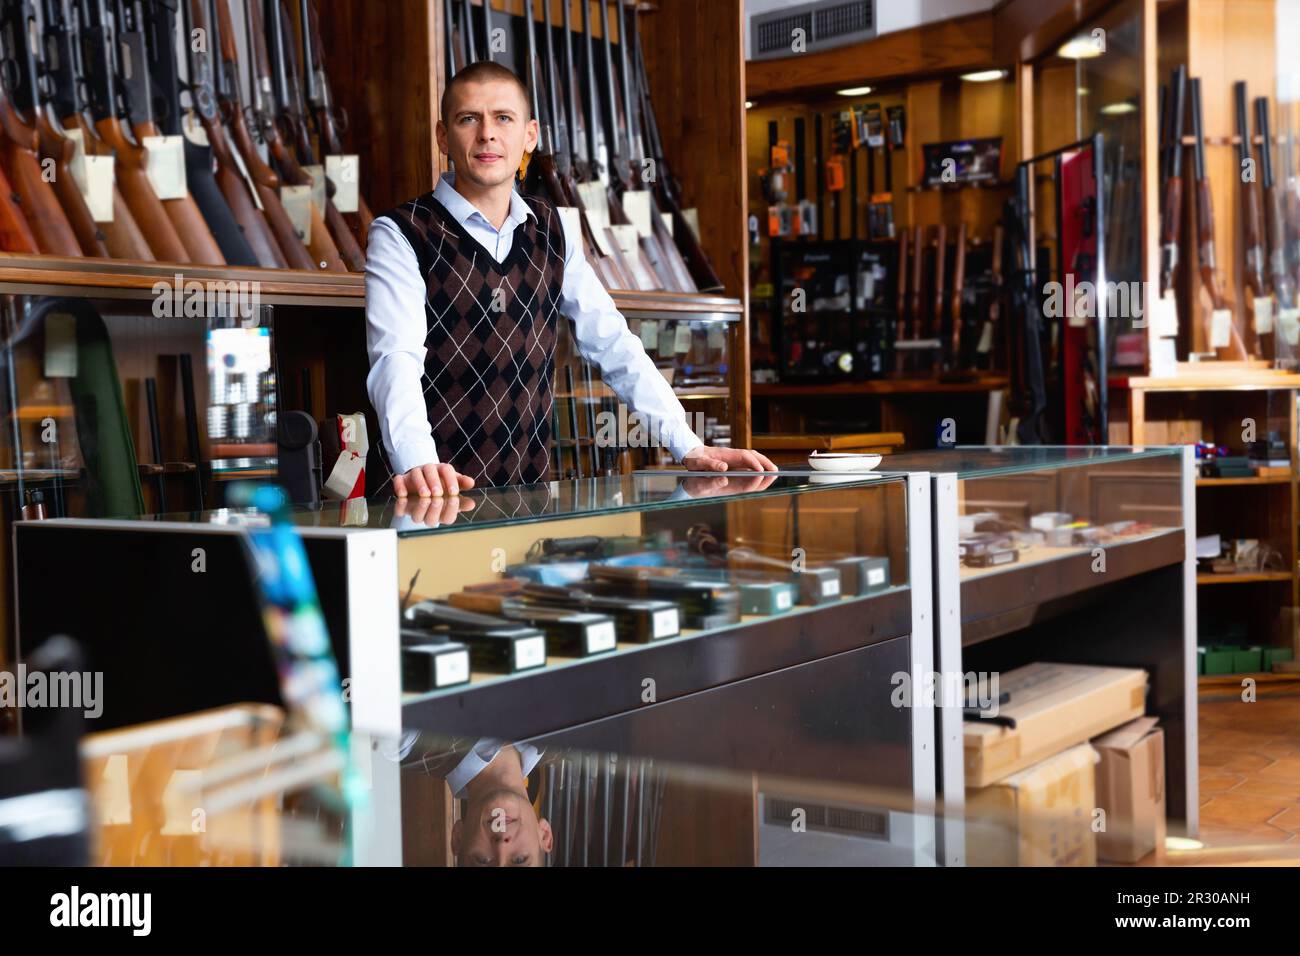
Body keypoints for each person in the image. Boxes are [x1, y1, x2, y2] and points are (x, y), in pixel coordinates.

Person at [364, 60, 777, 499]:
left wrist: (689, 446)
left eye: (503, 118)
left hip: (528, 502)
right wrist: (418, 464)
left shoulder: (554, 228)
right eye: (469, 119)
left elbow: (614, 344)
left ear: (529, 135)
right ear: (443, 136)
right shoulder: (401, 232)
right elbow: (395, 360)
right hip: (426, 499)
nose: (487, 133)